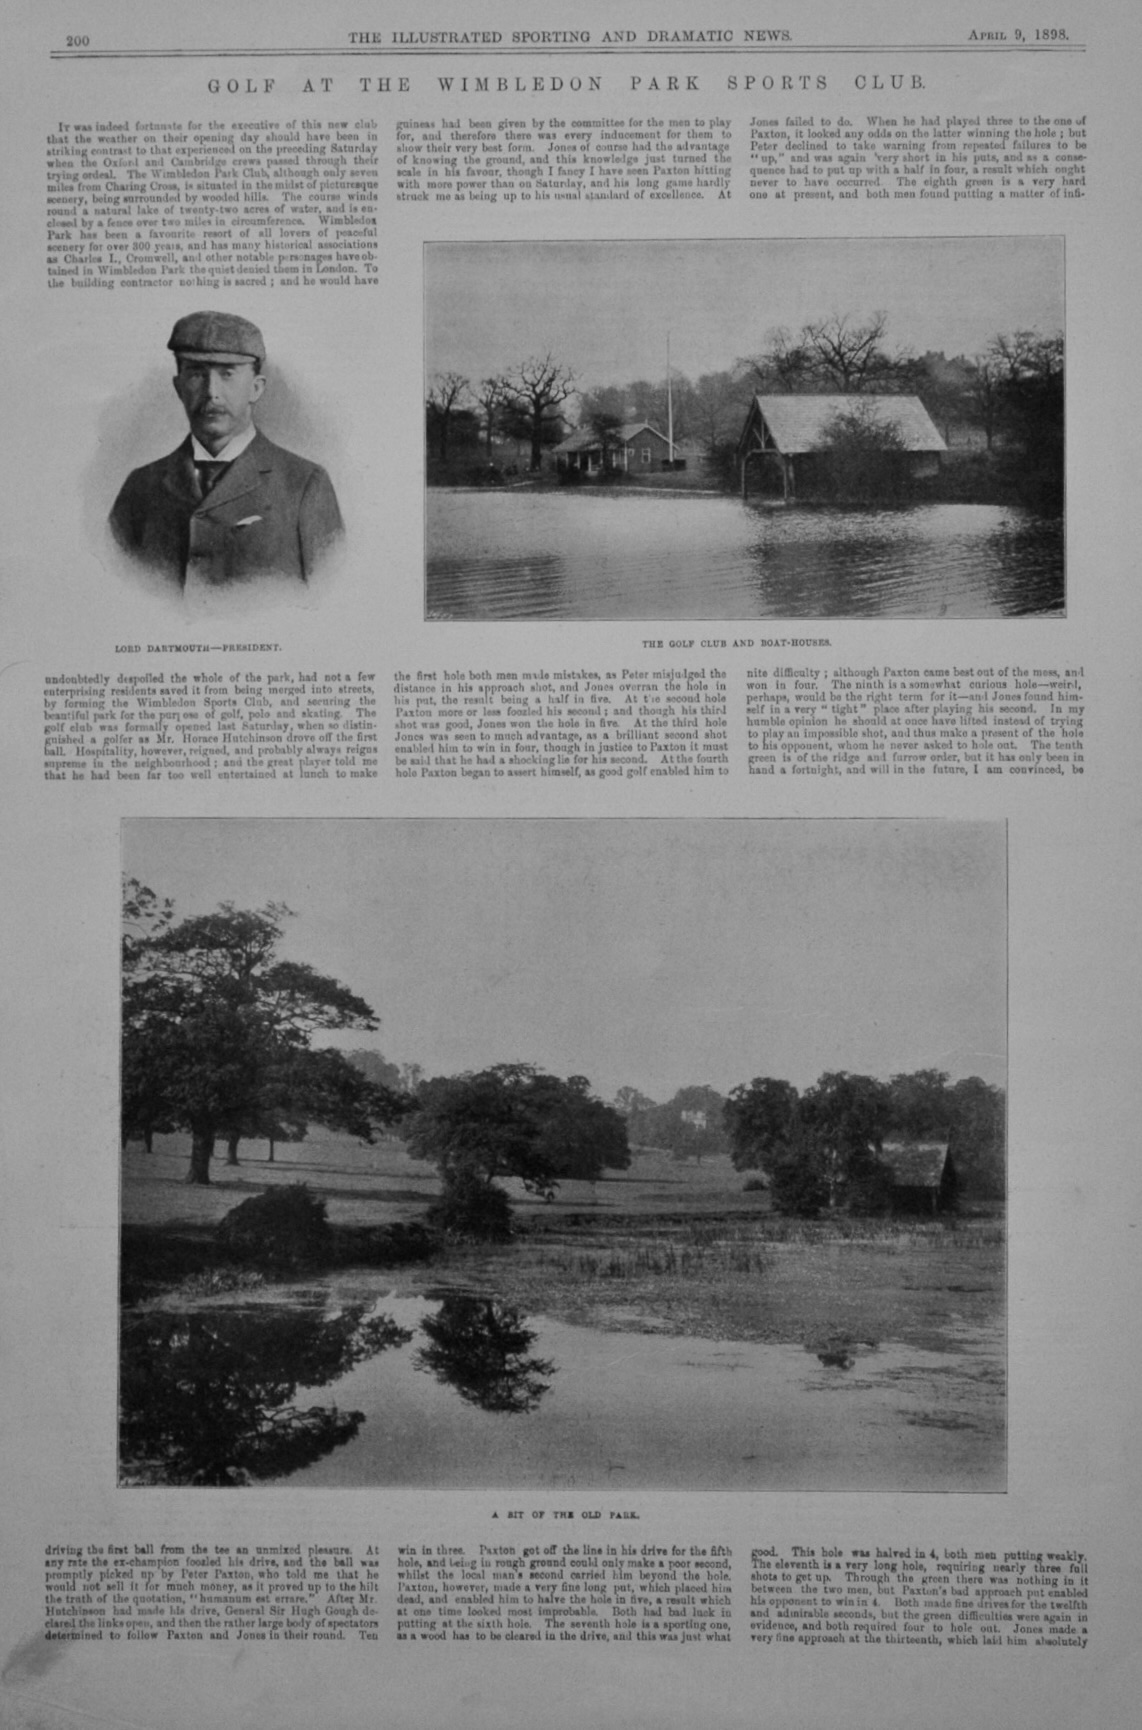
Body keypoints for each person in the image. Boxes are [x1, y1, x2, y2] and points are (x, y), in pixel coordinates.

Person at [109, 312, 343, 587]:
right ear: (178, 387)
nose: (212, 392)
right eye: (197, 374)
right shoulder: (140, 487)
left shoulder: (305, 485)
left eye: (227, 374)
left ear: (256, 388)